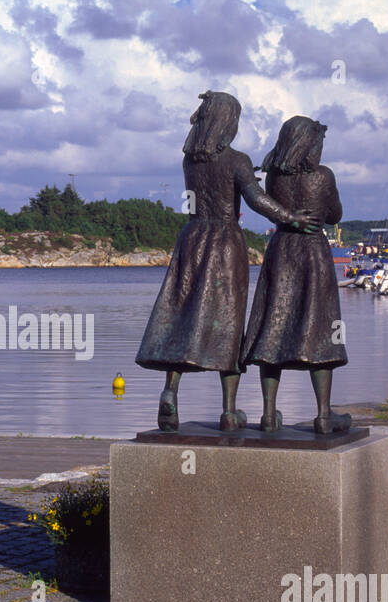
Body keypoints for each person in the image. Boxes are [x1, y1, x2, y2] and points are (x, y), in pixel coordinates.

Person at [136, 92, 317, 432]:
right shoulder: (237, 160)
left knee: (181, 317)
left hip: (191, 237)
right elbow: (256, 199)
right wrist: (290, 217)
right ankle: (229, 412)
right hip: (224, 242)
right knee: (230, 323)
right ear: (228, 122)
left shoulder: (190, 161)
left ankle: (170, 391)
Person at [240, 115, 349, 434]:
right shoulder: (324, 176)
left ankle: (269, 414)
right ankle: (323, 415)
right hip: (313, 253)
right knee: (323, 331)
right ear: (309, 143)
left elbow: (269, 204)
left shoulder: (274, 175)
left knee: (273, 328)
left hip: (281, 251)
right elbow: (335, 215)